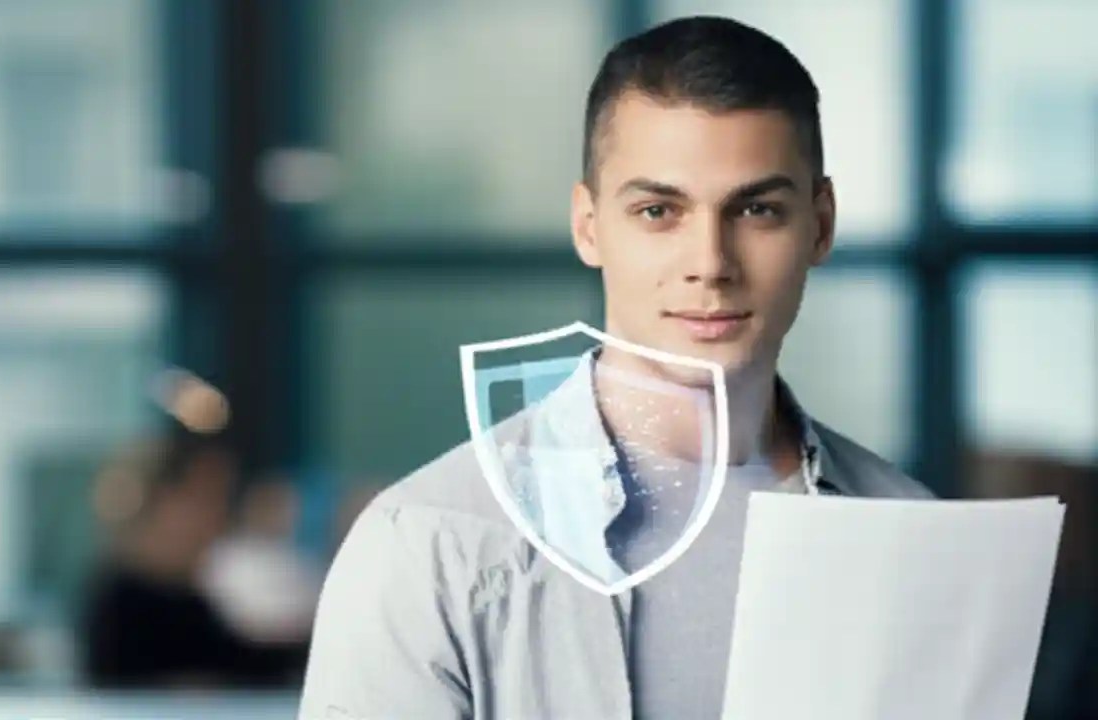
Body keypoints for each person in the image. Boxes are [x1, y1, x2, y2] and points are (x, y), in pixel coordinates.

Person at [299, 15, 933, 719]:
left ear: (820, 224)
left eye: (756, 209)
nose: (710, 265)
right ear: (589, 227)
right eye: (659, 210)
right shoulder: (430, 546)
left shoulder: (918, 535)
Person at [81, 427, 307, 688]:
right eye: (209, 499)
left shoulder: (188, 600)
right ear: (167, 503)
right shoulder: (122, 608)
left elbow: (246, 663)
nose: (220, 520)